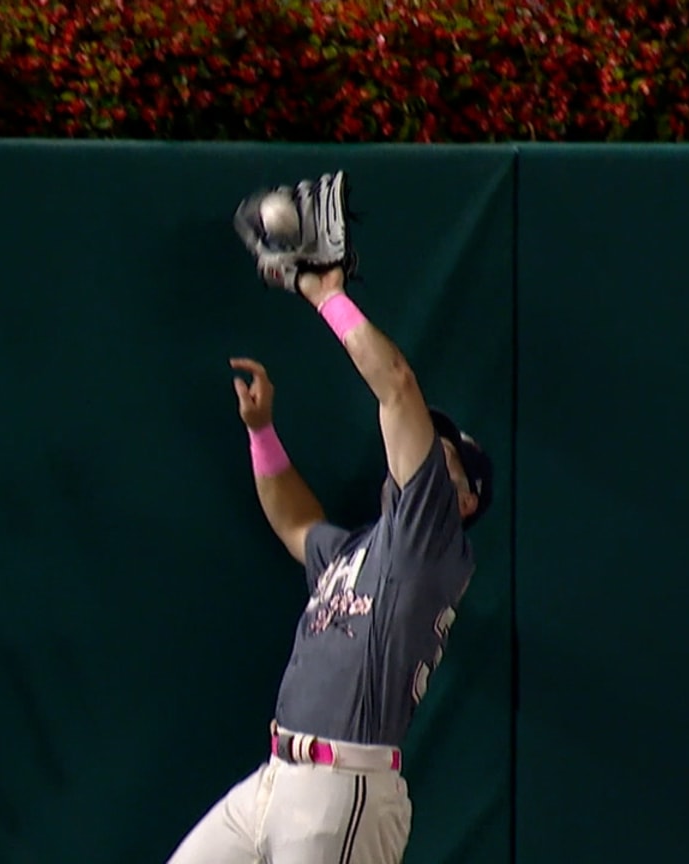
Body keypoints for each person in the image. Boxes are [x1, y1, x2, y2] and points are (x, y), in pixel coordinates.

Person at [165, 171, 494, 864]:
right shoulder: (362, 551)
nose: (426, 449)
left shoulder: (429, 540)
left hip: (344, 786)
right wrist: (262, 433)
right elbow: (294, 524)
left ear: (463, 500)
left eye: (445, 455)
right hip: (277, 778)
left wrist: (329, 297)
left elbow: (396, 386)